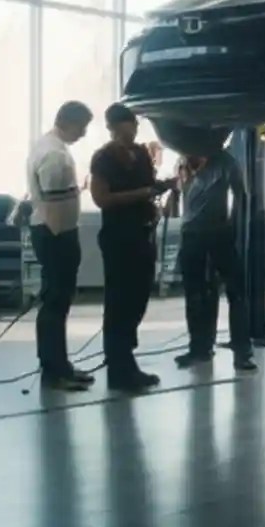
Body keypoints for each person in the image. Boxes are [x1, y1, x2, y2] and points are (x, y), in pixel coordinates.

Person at [88, 104, 175, 392]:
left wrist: (163, 188)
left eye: (136, 124)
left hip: (142, 234)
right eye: (129, 124)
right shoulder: (102, 159)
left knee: (139, 297)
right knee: (119, 302)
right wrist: (142, 194)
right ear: (114, 127)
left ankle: (127, 358)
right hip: (117, 237)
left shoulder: (141, 155)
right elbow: (102, 199)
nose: (134, 129)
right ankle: (119, 367)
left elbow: (149, 187)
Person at [27, 101, 96, 390]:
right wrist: (65, 244)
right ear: (67, 122)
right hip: (56, 234)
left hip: (50, 231)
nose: (83, 134)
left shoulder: (47, 145)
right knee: (56, 301)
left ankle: (59, 365)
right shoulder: (55, 155)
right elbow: (56, 210)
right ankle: (55, 370)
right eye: (81, 127)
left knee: (56, 301)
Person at [173, 149, 257, 372]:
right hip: (191, 233)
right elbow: (182, 196)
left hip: (219, 233)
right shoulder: (183, 161)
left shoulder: (225, 161)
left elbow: (241, 195)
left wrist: (234, 228)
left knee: (236, 293)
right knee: (195, 293)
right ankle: (199, 348)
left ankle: (242, 351)